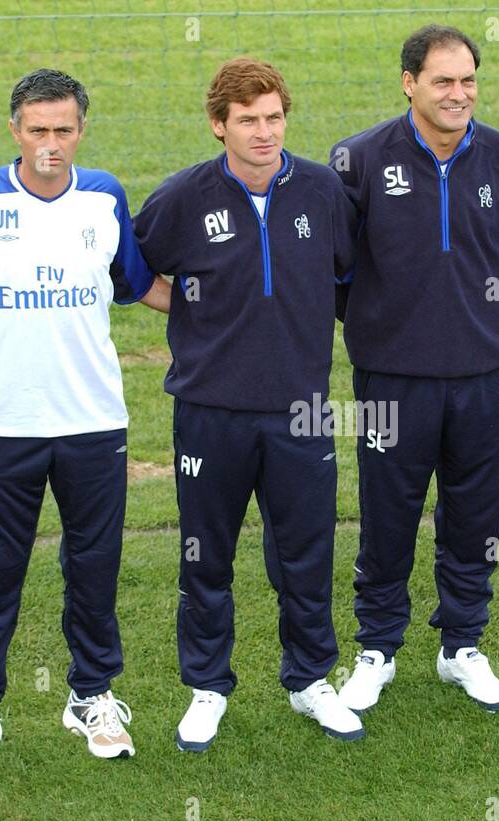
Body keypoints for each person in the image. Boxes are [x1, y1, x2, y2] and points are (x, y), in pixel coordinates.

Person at [0, 69, 170, 774]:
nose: (49, 143)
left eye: (62, 129)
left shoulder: (104, 196)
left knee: (94, 567)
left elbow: (133, 282)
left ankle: (92, 695)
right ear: (14, 131)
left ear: (81, 131)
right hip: (0, 422)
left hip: (93, 420)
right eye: (36, 130)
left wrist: (230, 307)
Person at [132, 58, 361, 751]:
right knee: (207, 554)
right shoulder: (181, 198)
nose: (264, 133)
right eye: (248, 121)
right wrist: (199, 310)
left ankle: (310, 679)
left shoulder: (321, 190)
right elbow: (136, 272)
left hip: (301, 408)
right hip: (209, 410)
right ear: (218, 125)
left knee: (306, 549)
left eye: (274, 118)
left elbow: (346, 273)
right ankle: (207, 686)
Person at [329, 24, 499, 715]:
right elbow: (338, 269)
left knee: (476, 518)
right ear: (409, 82)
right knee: (388, 516)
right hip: (391, 379)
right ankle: (378, 648)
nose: (458, 93)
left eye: (468, 79)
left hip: (482, 376)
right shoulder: (356, 160)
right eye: (443, 80)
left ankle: (462, 645)